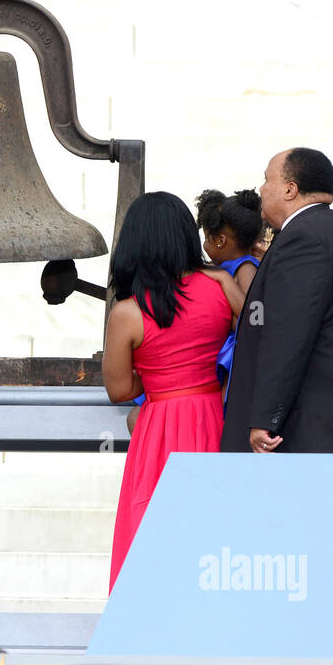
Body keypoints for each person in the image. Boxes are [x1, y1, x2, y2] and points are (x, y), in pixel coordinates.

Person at [104, 192, 244, 589]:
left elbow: (118, 389)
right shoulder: (220, 285)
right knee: (215, 528)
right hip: (216, 414)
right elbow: (254, 340)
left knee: (153, 528)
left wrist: (158, 378)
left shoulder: (129, 313)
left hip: (161, 425)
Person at [221, 148, 333, 454]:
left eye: (266, 180)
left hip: (318, 422)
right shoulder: (329, 228)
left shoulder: (305, 237)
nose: (260, 189)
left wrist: (265, 417)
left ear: (290, 189)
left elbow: (289, 333)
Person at [195, 188, 263, 387]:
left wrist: (223, 280)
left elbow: (255, 316)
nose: (205, 245)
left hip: (239, 356)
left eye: (207, 238)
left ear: (220, 240)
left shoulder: (245, 268)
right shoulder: (225, 268)